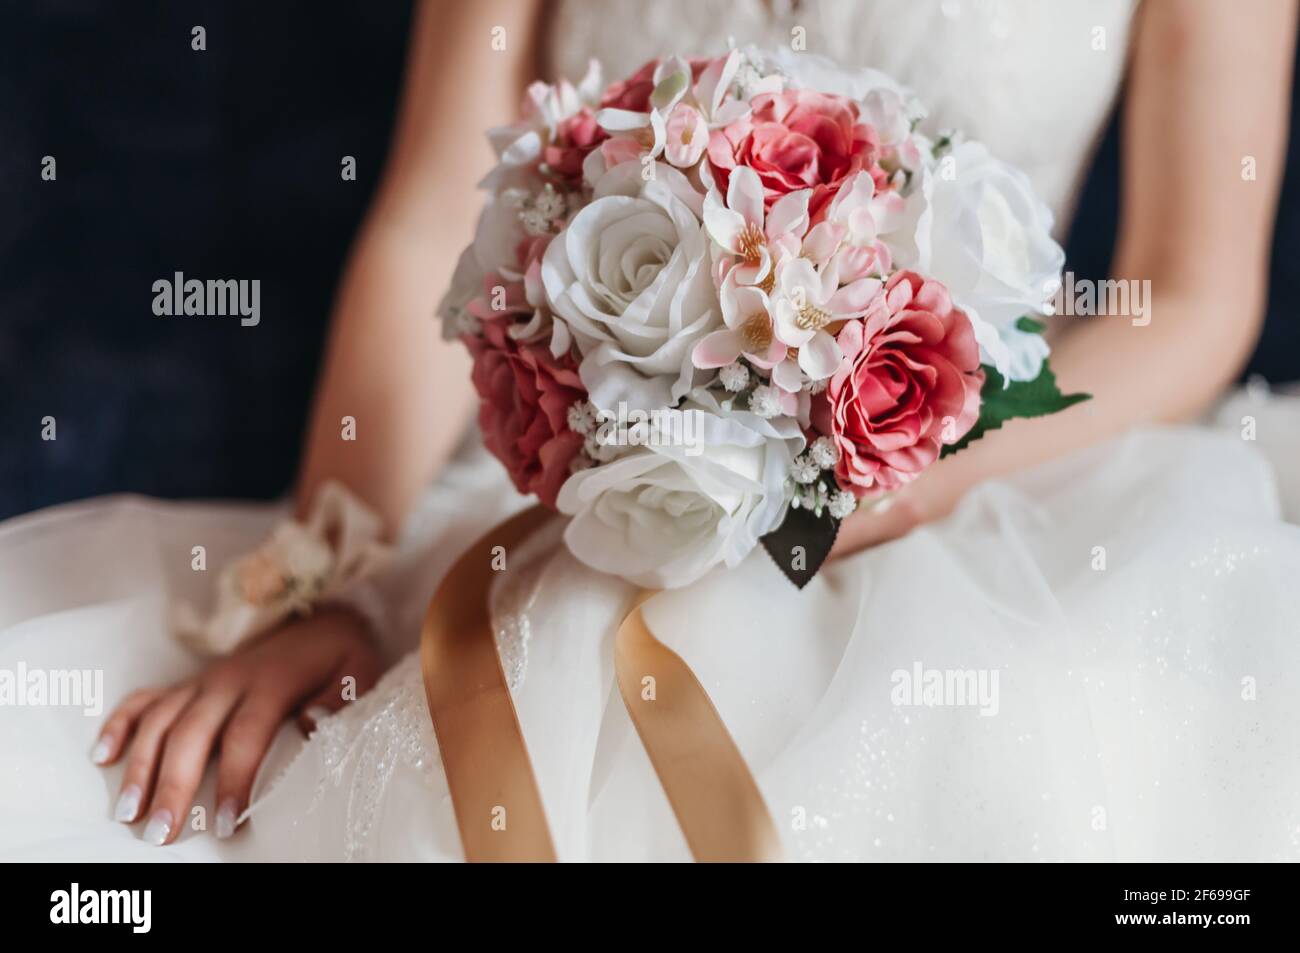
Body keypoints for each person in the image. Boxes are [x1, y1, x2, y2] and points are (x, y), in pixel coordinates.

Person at [3, 0, 1298, 861]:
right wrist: (325, 570)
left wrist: (859, 492)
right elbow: (433, 215)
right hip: (573, 491)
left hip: (974, 490)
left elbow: (1189, 297)